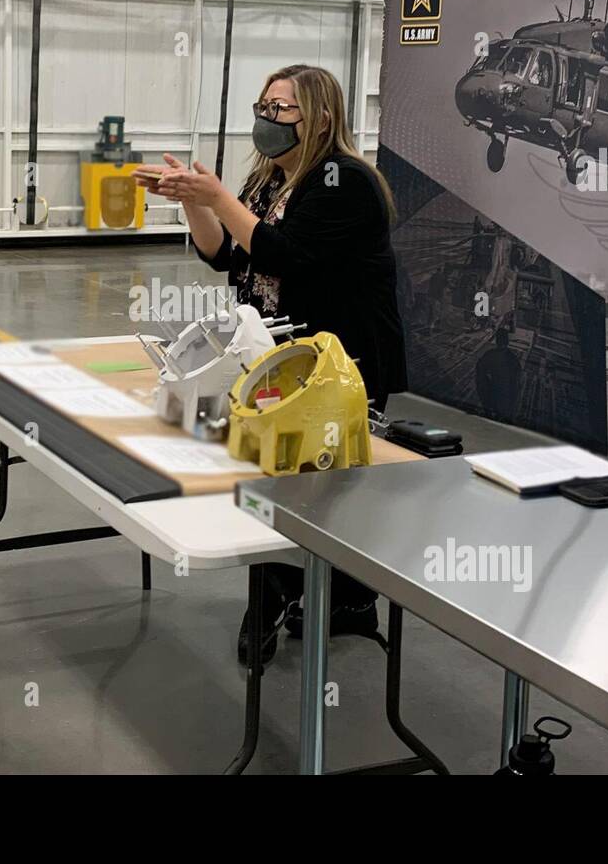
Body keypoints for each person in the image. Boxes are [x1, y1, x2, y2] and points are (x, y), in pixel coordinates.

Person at [135, 64, 406, 665]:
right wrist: (195, 203)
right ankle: (314, 593)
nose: (267, 118)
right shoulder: (268, 179)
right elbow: (226, 254)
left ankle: (298, 596)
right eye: (263, 106)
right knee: (282, 477)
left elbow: (286, 255)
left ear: (321, 119)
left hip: (339, 366)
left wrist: (218, 198)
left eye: (281, 109)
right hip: (278, 360)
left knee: (323, 483)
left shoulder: (345, 182)